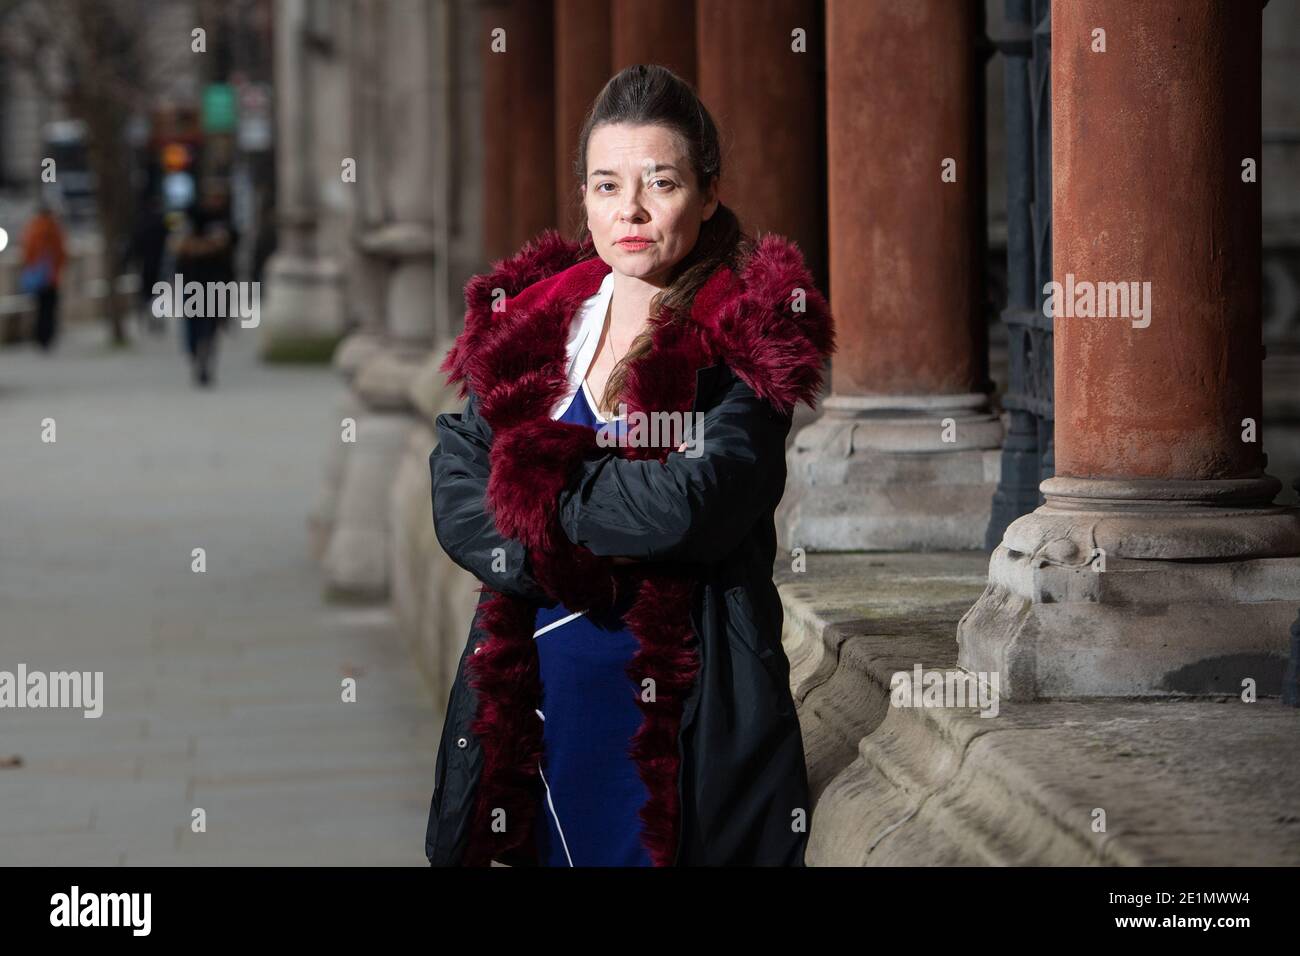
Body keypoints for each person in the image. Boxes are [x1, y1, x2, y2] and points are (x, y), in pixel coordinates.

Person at [424, 64, 836, 867]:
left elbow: (693, 503)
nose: (632, 211)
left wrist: (534, 488)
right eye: (608, 185)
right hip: (531, 727)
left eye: (662, 183)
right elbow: (456, 482)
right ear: (583, 197)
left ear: (708, 194)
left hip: (681, 737)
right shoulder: (536, 323)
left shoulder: (745, 336)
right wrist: (587, 522)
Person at [172, 185, 237, 386]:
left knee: (211, 326)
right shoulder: (191, 218)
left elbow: (227, 248)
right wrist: (208, 246)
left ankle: (205, 362)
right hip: (191, 281)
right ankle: (195, 355)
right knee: (192, 325)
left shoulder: (225, 221)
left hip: (217, 283)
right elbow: (179, 247)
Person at [20, 202, 68, 352]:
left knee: (40, 308)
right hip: (52, 277)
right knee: (50, 309)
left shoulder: (32, 229)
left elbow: (27, 254)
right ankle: (48, 337)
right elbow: (62, 253)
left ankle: (40, 338)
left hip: (37, 278)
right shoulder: (55, 229)